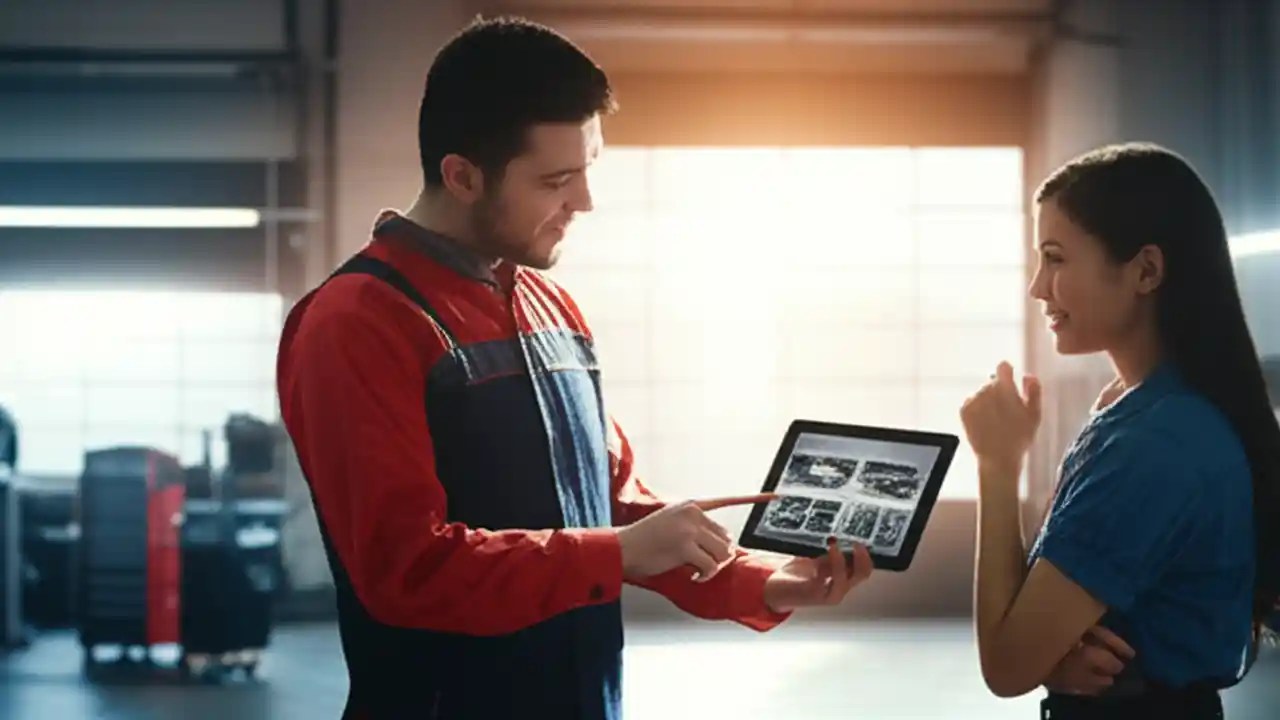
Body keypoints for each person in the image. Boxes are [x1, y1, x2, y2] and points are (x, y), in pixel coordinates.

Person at [276, 16, 873, 720]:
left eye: (589, 171)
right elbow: (408, 568)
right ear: (462, 175)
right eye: (557, 180)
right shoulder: (357, 321)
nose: (584, 203)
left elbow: (613, 505)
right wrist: (614, 554)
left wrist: (764, 583)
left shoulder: (551, 306)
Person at [958, 143, 1280, 719]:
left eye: (1055, 258)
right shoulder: (1141, 411)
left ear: (1146, 271)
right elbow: (1040, 616)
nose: (1038, 287)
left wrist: (997, 465)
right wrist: (1053, 652)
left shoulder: (1156, 443)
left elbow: (1006, 665)